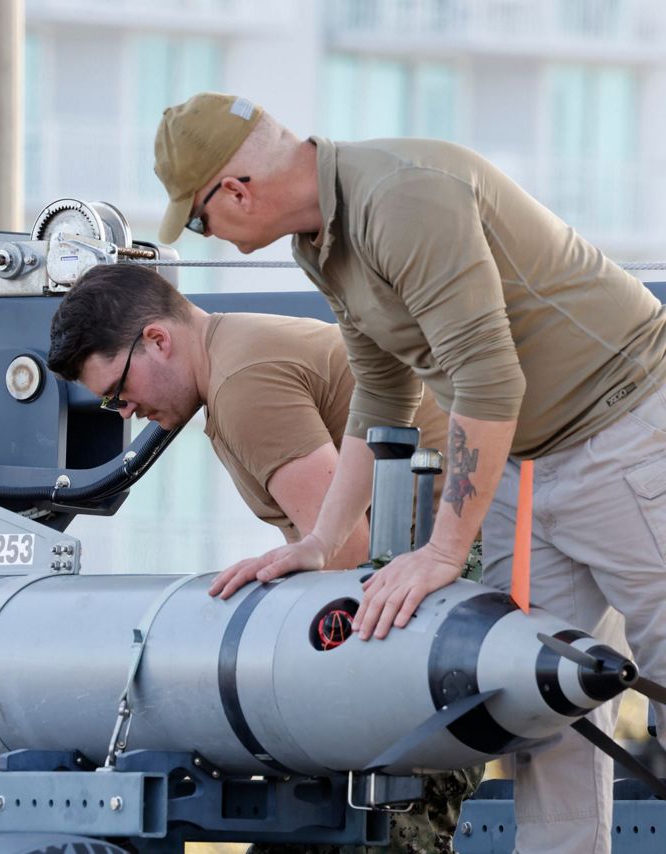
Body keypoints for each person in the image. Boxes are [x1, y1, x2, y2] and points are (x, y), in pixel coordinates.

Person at [151, 91, 666, 854]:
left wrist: (442, 552)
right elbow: (381, 393)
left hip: (624, 429)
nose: (210, 237)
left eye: (197, 220)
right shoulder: (320, 242)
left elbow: (490, 379)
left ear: (235, 189)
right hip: (526, 462)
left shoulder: (401, 198)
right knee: (537, 706)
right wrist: (321, 542)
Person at [46, 263, 480, 853]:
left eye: (119, 393)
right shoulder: (237, 353)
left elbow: (348, 555)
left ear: (156, 340)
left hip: (445, 568)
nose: (125, 413)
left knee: (384, 829)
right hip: (427, 564)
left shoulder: (241, 384)